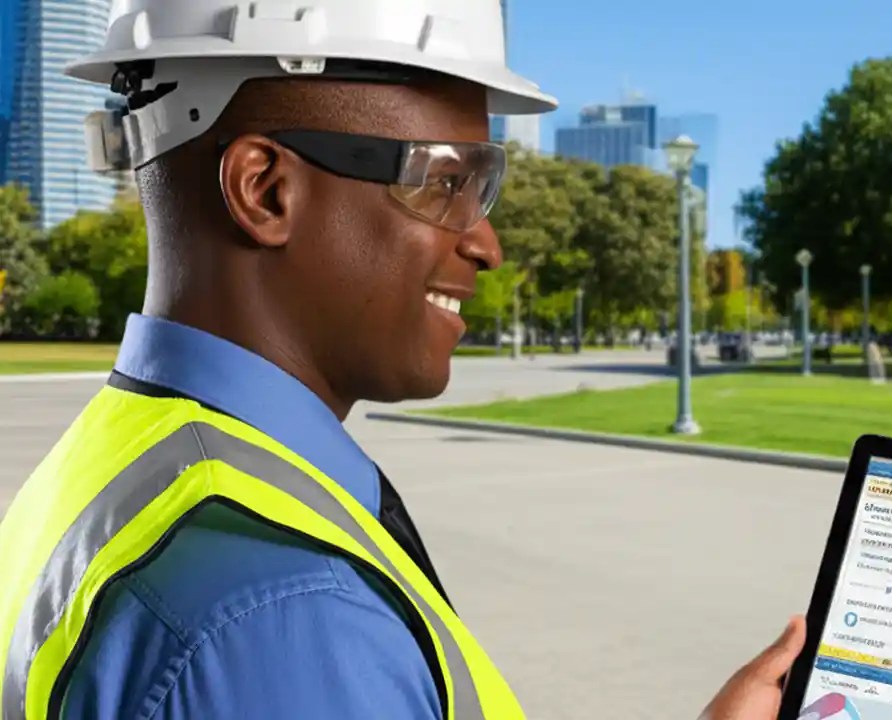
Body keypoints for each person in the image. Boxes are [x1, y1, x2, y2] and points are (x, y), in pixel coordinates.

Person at [0, 1, 804, 718]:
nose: (486, 243)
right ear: (266, 190)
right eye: (445, 181)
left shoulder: (112, 461)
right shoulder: (283, 617)